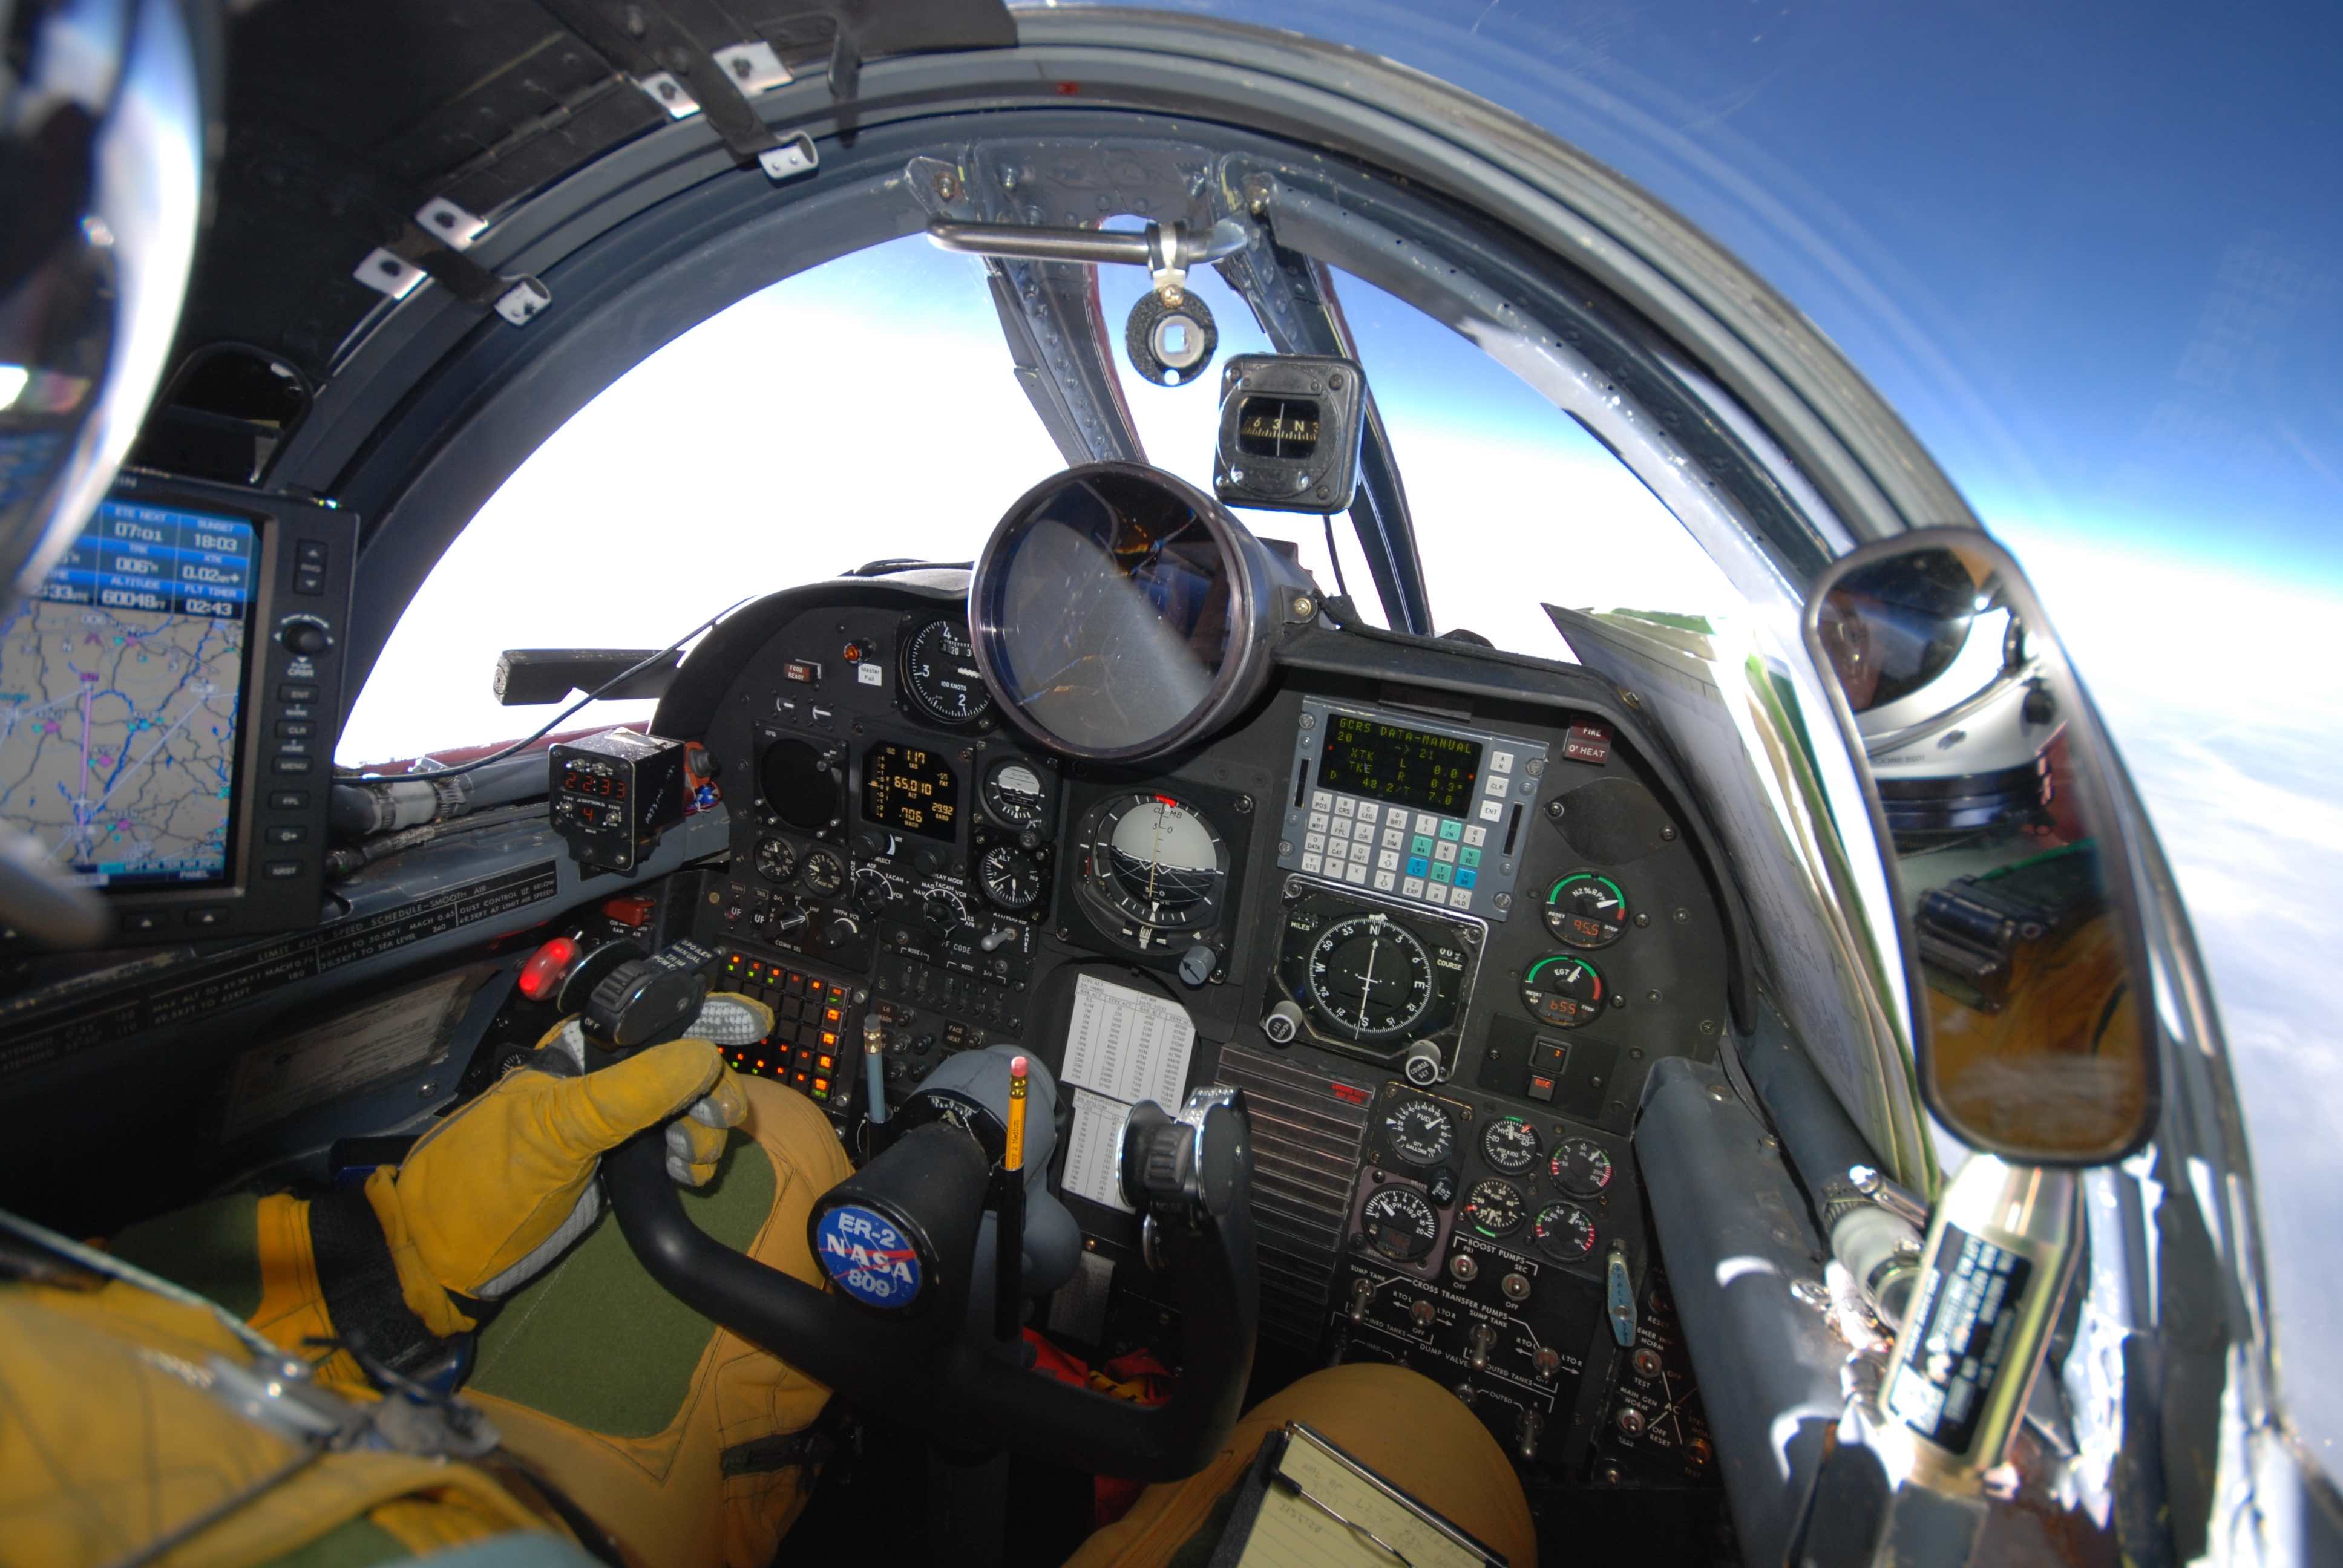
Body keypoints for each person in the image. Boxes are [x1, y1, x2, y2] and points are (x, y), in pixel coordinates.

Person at [0, 8, 1537, 1563]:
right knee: (1410, 1430)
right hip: (462, 1512)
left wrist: (406, 1240)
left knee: (786, 1143)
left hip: (307, 1416)